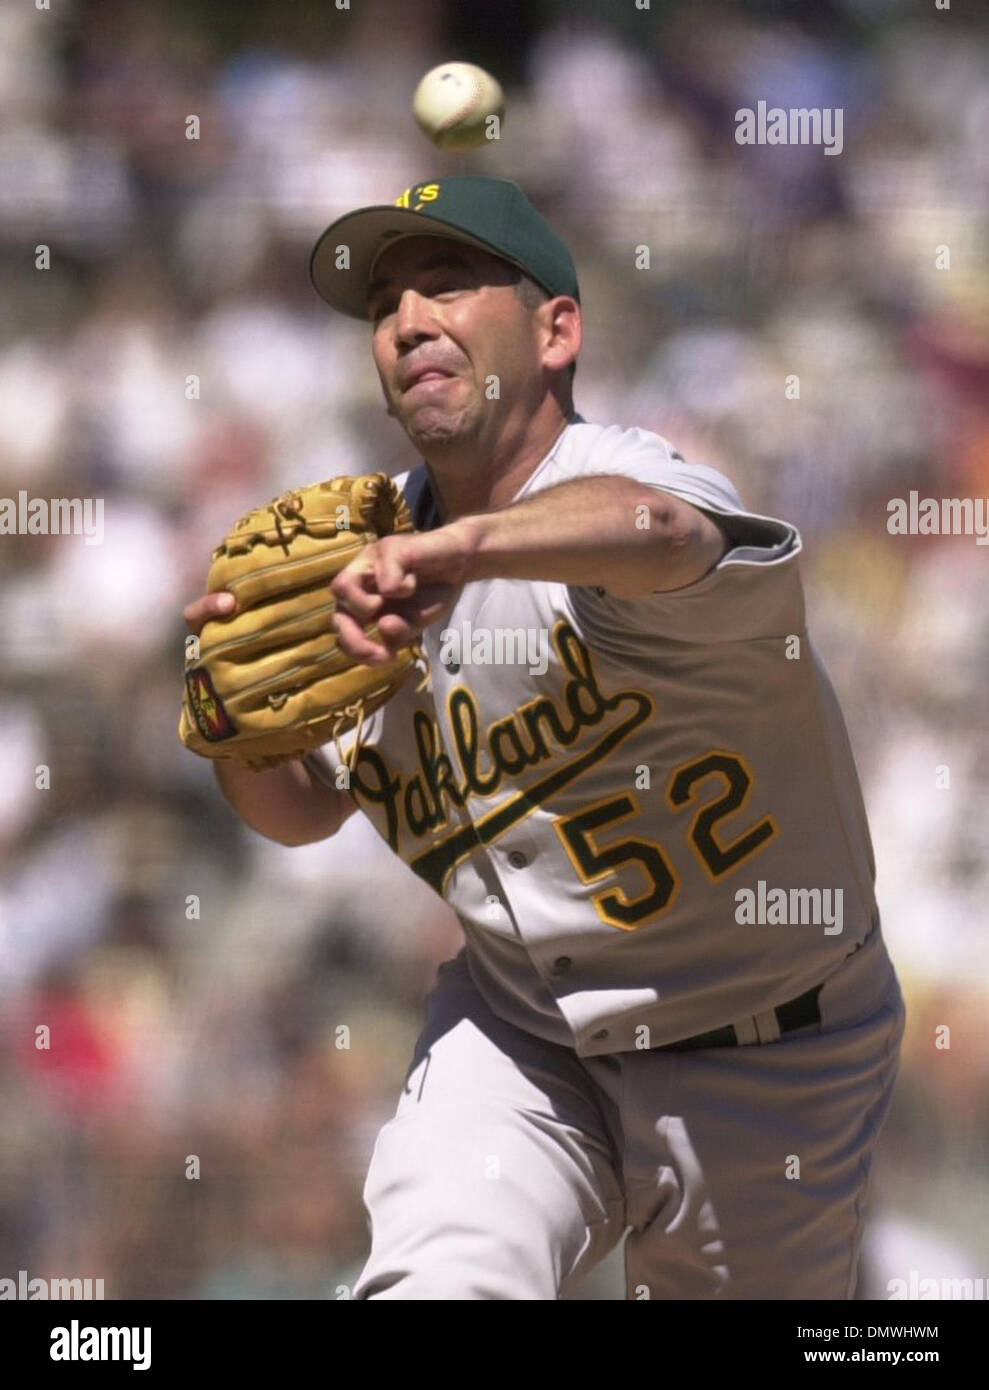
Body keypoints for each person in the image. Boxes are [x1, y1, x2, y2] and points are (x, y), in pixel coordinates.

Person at [184, 177, 905, 1300]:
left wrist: (460, 551)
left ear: (556, 329)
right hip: (520, 1039)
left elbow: (665, 534)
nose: (407, 319)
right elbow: (299, 813)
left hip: (769, 1052)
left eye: (449, 284)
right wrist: (236, 734)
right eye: (385, 303)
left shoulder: (625, 489)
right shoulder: (354, 558)